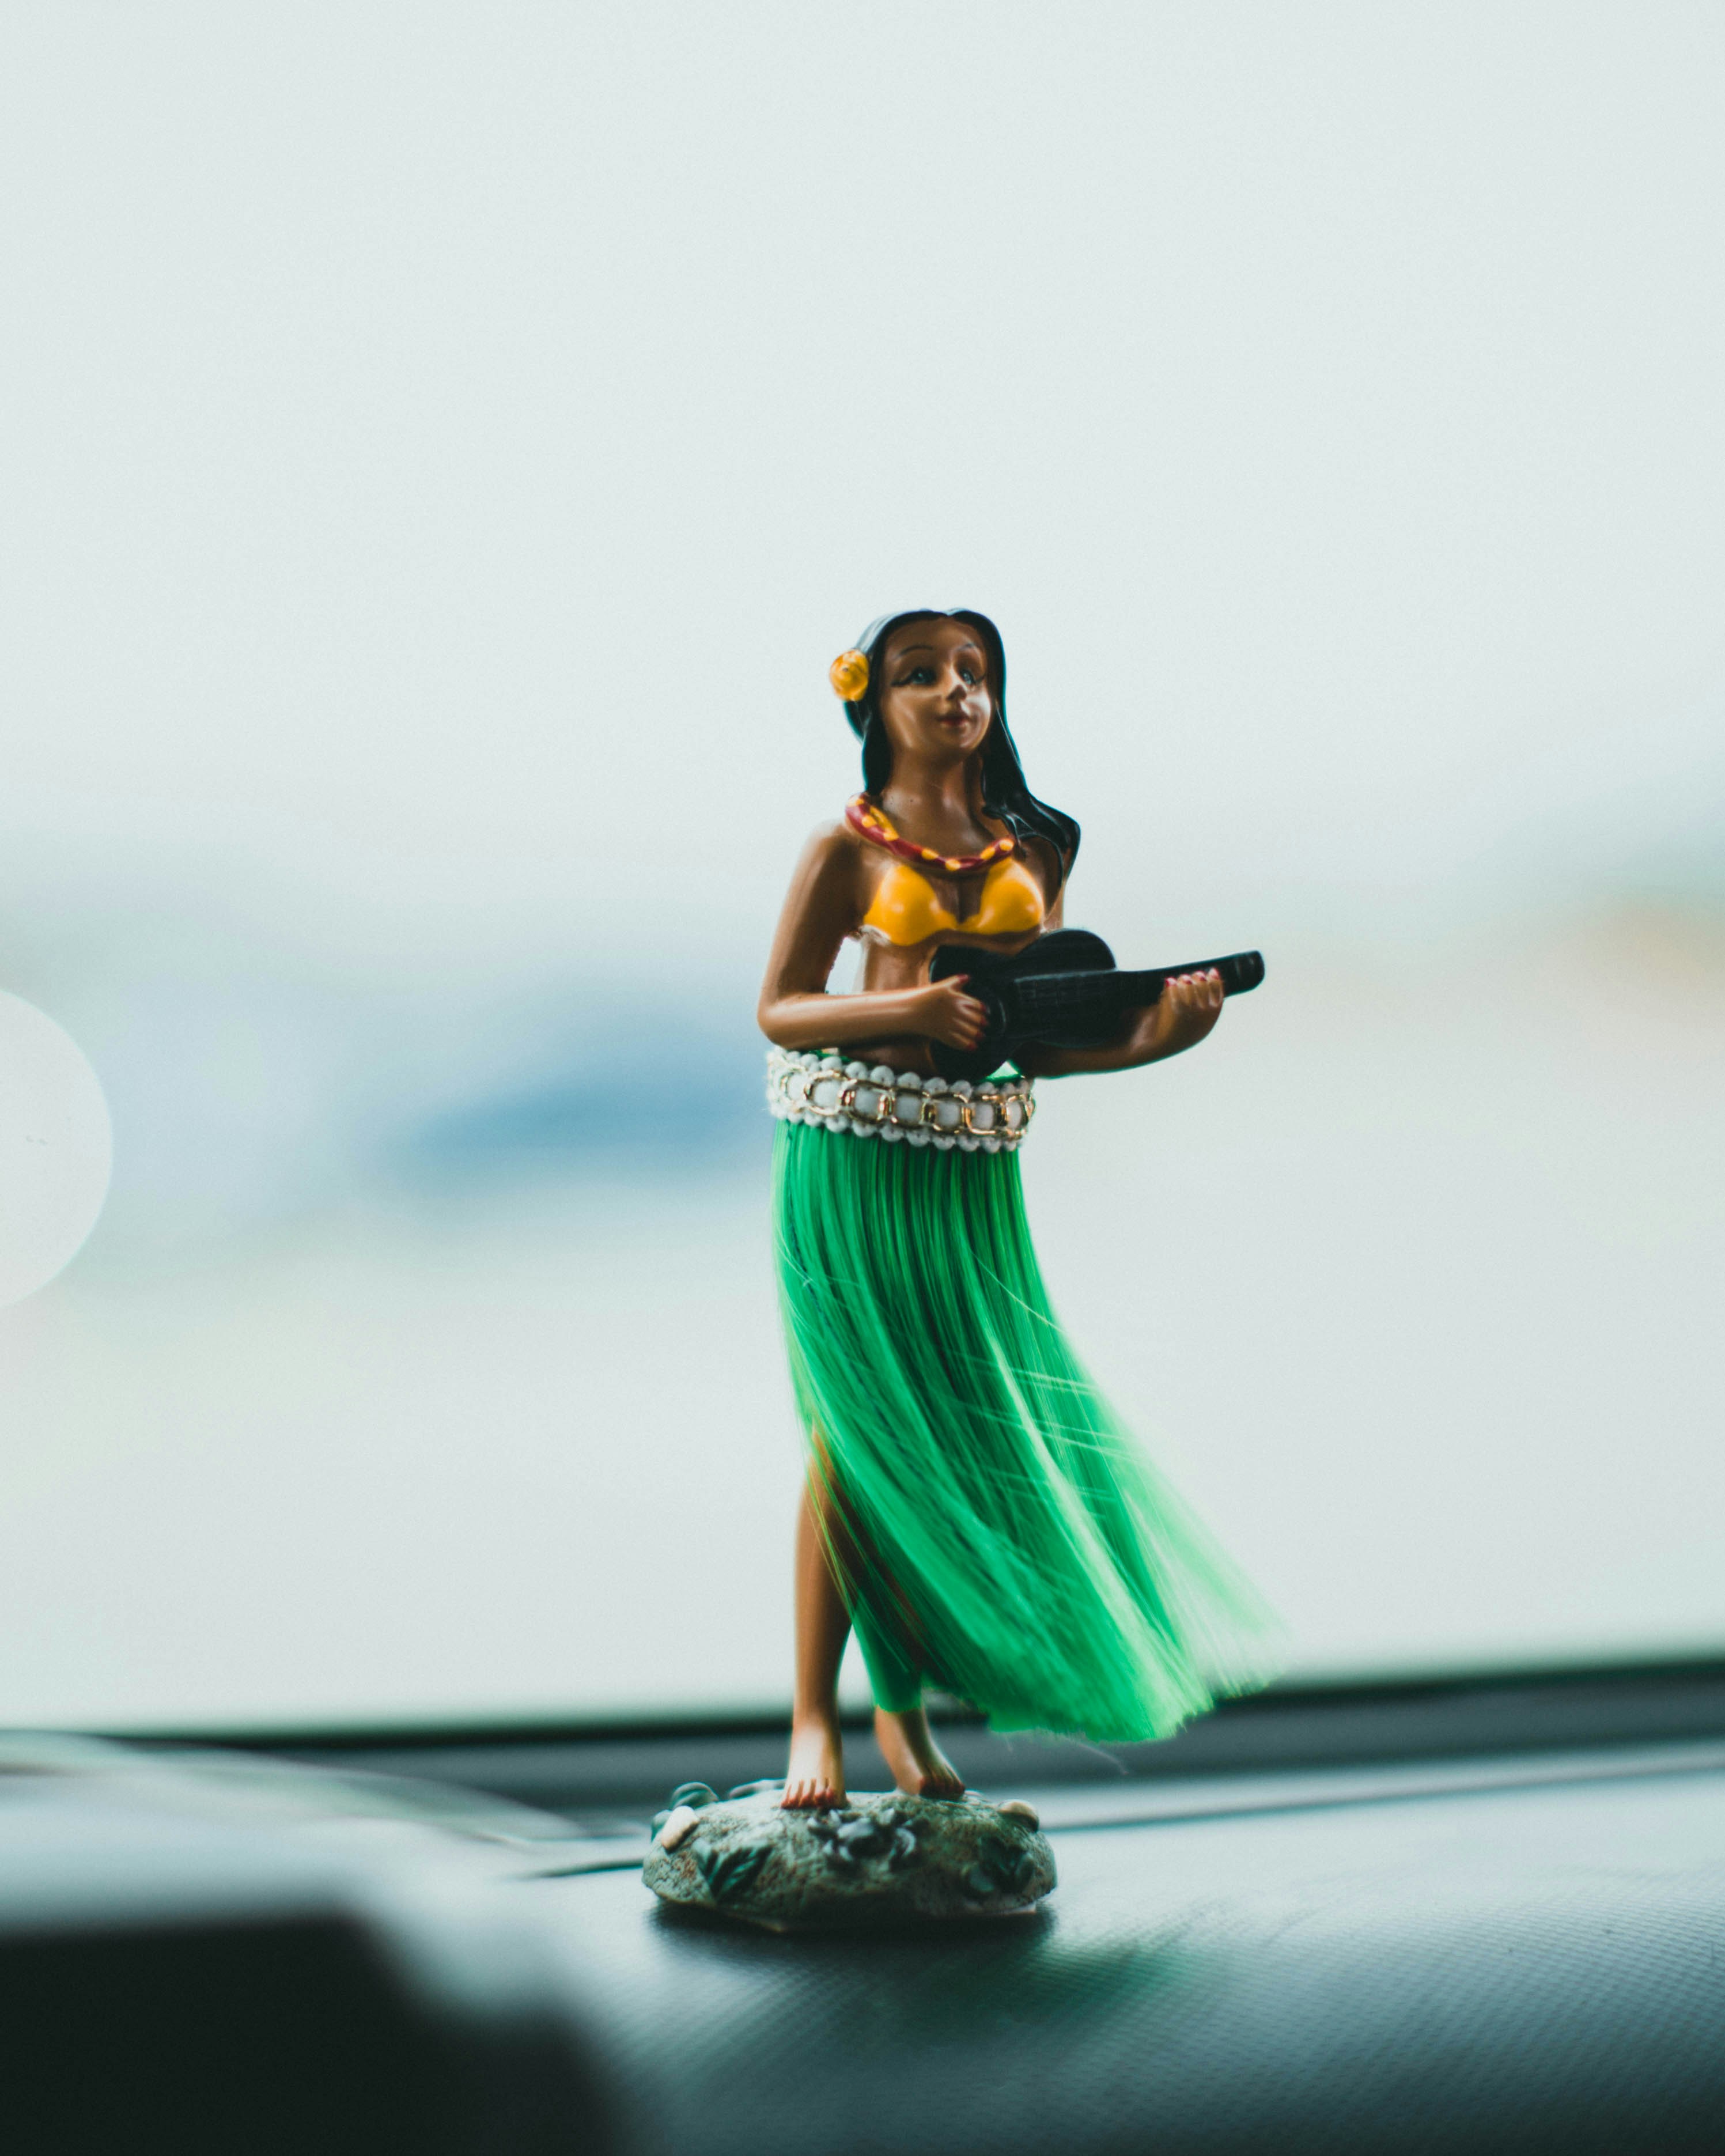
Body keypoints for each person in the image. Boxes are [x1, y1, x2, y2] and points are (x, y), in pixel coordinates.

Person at [758, 610, 1269, 1809]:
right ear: (872, 701)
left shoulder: (1033, 850)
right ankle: (808, 1721)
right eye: (922, 673)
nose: (953, 692)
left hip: (972, 1172)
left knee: (957, 1430)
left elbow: (1038, 1042)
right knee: (856, 1436)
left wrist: (1154, 1037)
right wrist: (911, 1015)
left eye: (974, 672)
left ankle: (906, 1725)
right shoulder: (845, 846)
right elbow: (781, 1006)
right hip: (850, 1162)